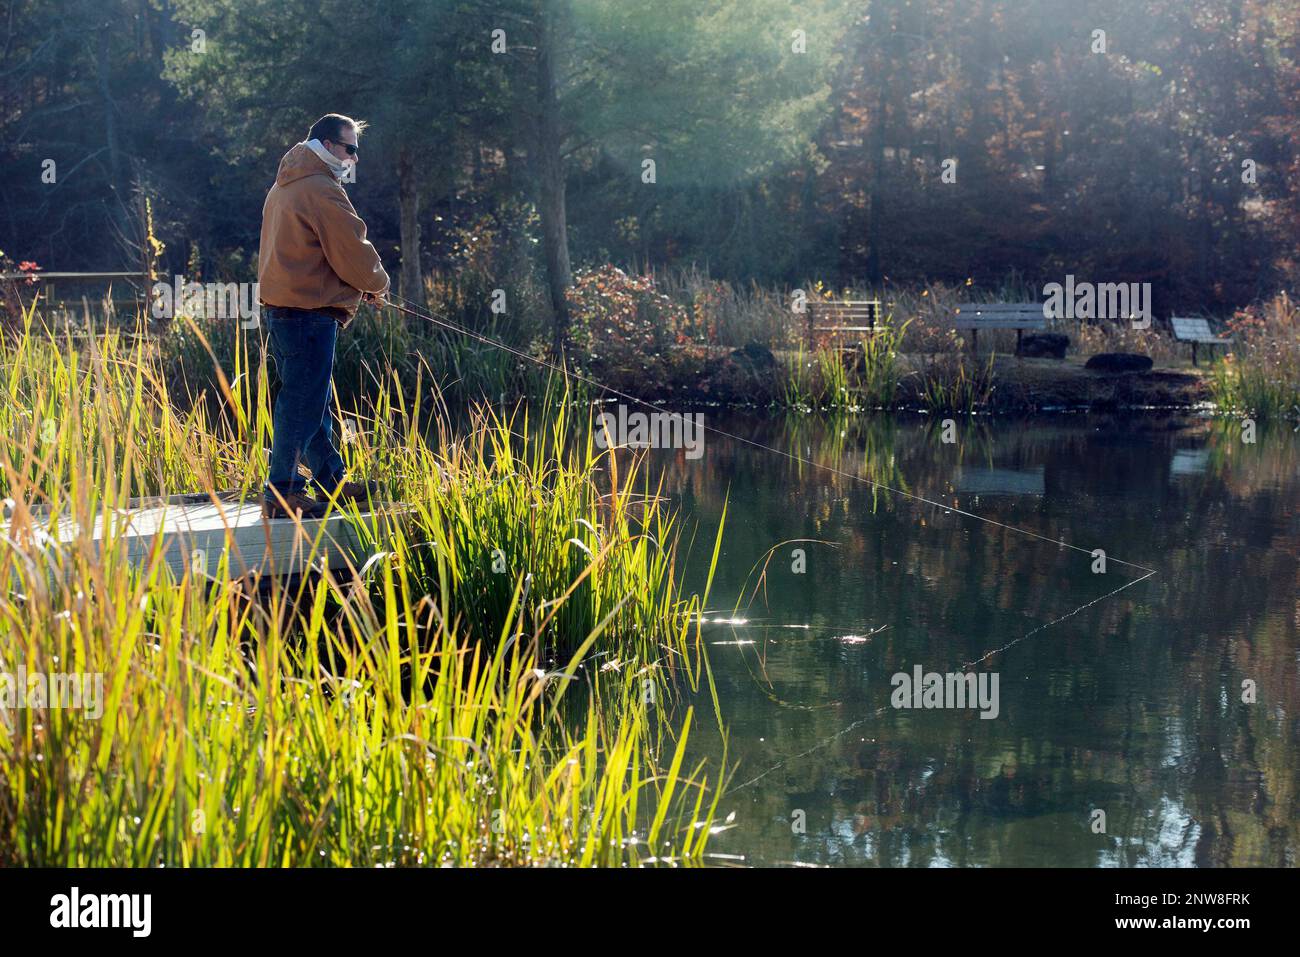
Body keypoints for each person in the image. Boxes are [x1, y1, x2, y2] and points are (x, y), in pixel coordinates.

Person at [257, 113, 390, 519]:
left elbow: (312, 251)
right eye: (351, 149)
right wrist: (376, 283)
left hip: (284, 308)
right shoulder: (321, 188)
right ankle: (283, 490)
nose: (354, 158)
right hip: (307, 311)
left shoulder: (286, 184)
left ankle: (331, 481)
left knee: (315, 399)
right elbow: (352, 246)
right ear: (329, 145)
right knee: (302, 401)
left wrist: (357, 286)